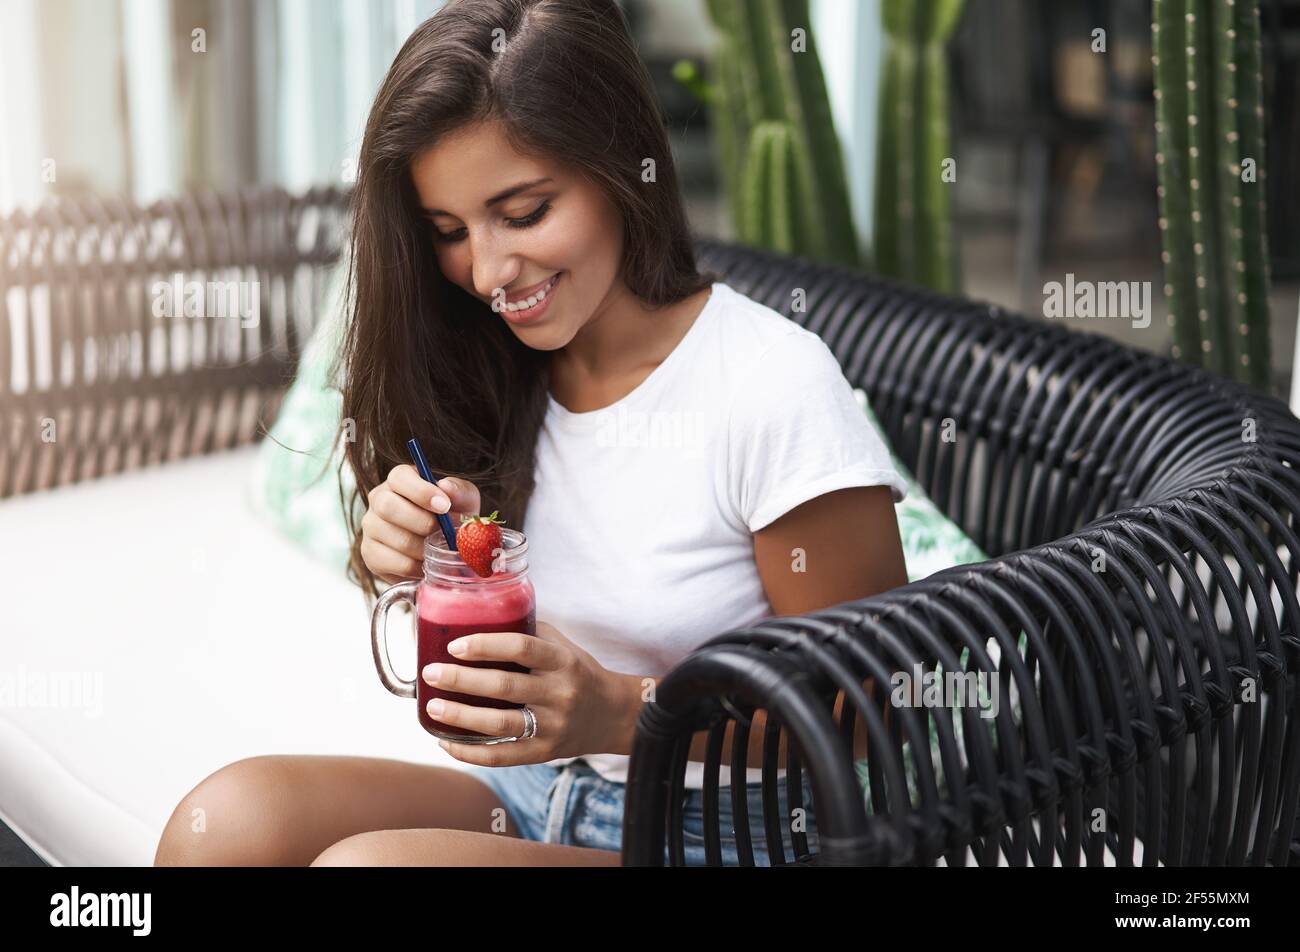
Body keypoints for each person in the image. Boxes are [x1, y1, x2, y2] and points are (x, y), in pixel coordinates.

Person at [154, 0, 908, 867]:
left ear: (622, 166)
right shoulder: (493, 366)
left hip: (733, 833)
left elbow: (863, 714)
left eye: (523, 211)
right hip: (539, 794)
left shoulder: (770, 385)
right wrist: (398, 551)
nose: (486, 271)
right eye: (448, 232)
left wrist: (621, 711)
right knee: (229, 823)